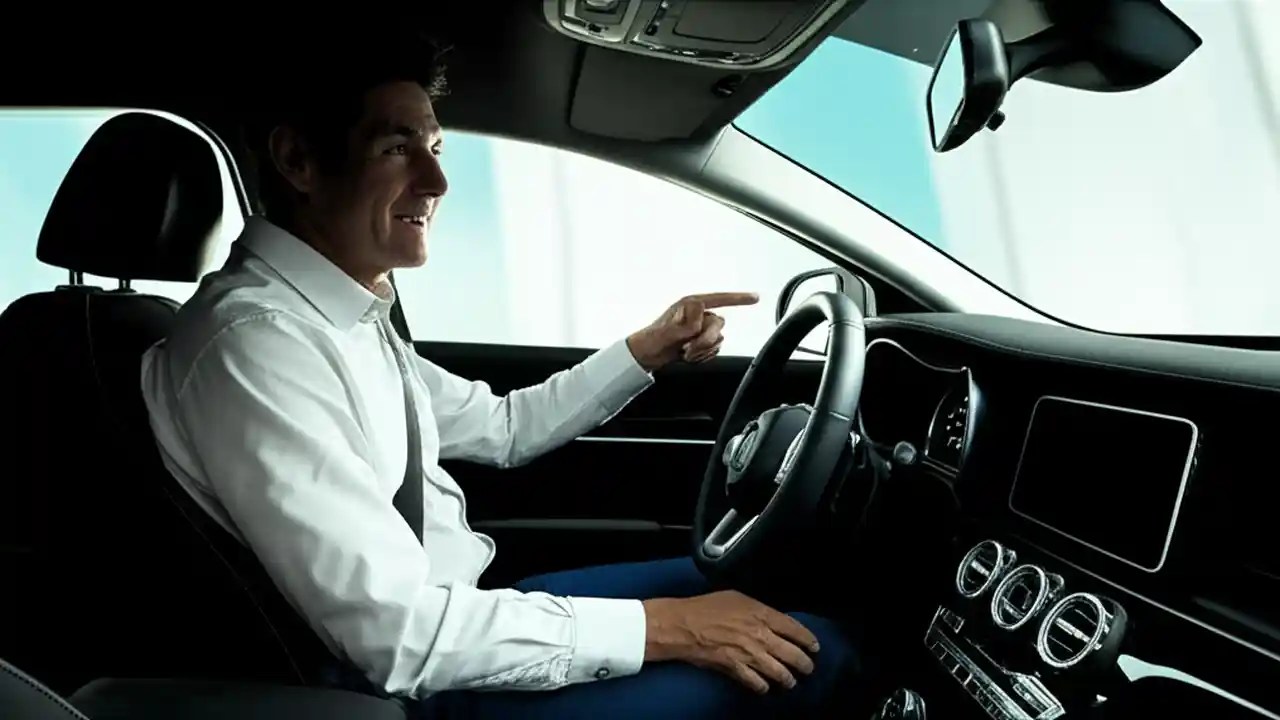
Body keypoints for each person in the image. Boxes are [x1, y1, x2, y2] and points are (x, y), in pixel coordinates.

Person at [138, 37, 861, 719]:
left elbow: (505, 427)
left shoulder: (334, 320)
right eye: (397, 148)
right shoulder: (257, 345)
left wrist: (647, 350)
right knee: (824, 657)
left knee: (765, 585)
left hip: (468, 620)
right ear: (298, 160)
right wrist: (673, 630)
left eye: (435, 147)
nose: (437, 181)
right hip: (419, 686)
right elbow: (396, 636)